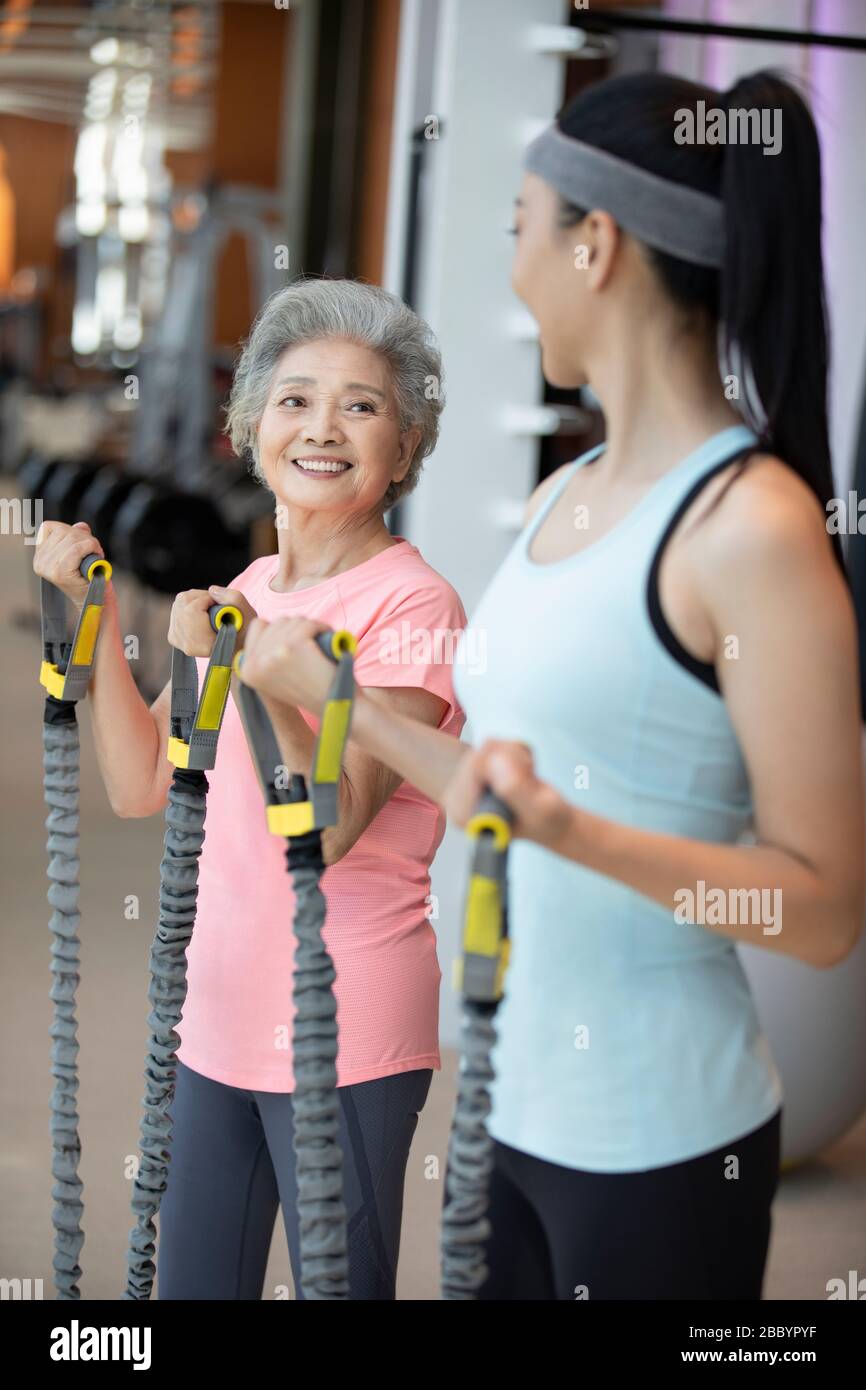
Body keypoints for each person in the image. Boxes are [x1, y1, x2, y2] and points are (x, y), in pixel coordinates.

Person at [231, 71, 865, 1300]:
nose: (511, 267)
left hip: (658, 1135)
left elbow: (823, 910)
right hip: (505, 1106)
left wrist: (574, 832)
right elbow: (499, 784)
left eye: (520, 224)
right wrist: (333, 698)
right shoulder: (555, 502)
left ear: (596, 245)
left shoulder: (751, 527)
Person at [33, 278, 467, 1299]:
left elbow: (331, 822)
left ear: (402, 450)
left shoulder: (413, 602)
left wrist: (278, 677)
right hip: (214, 1007)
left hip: (344, 1022)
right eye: (295, 399)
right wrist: (93, 621)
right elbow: (144, 782)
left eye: (361, 406)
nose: (323, 427)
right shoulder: (245, 591)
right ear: (249, 429)